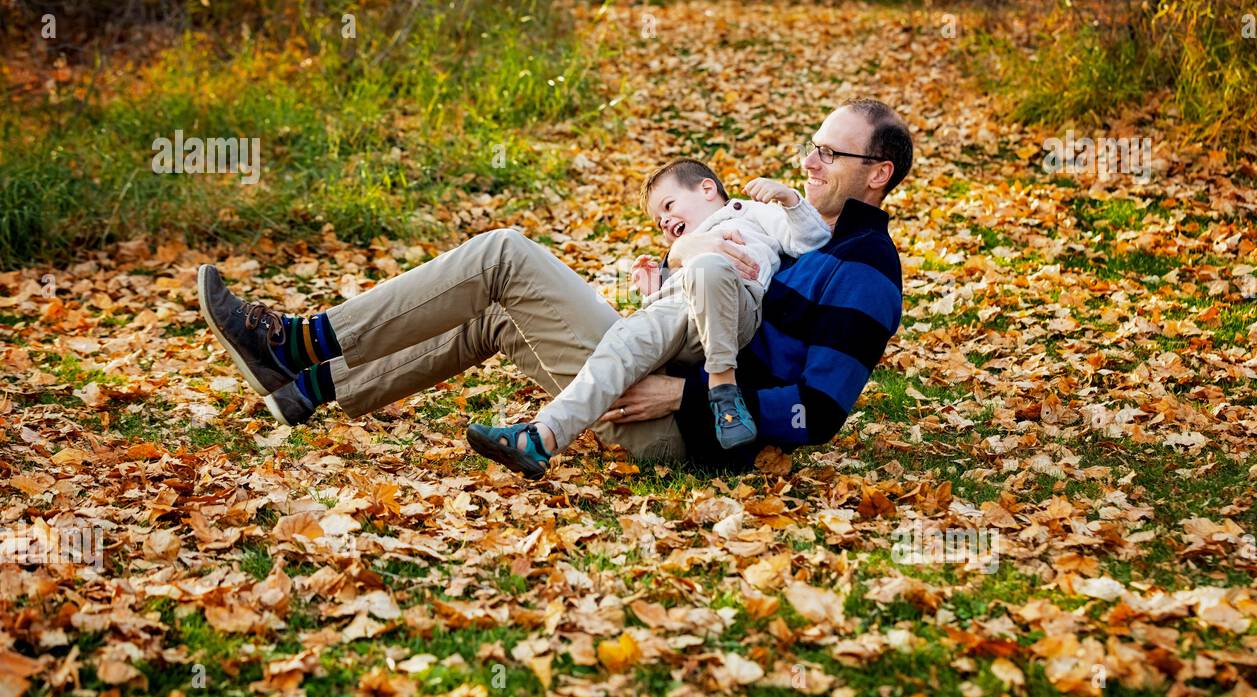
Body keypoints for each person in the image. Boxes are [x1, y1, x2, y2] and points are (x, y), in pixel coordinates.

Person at [195, 99, 910, 470]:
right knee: (499, 318)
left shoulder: (865, 273)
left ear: (877, 173)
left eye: (829, 153)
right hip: (666, 363)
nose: (809, 162)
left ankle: (299, 343)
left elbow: (816, 416)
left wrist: (685, 397)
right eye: (810, 147)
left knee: (503, 255)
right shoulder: (794, 227)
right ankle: (312, 387)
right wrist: (679, 264)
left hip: (682, 426)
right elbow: (717, 291)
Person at [465, 158, 830, 478]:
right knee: (620, 345)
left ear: (707, 189)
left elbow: (810, 239)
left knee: (709, 266)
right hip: (681, 311)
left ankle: (724, 388)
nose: (666, 221)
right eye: (659, 220)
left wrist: (789, 199)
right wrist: (652, 290)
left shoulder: (748, 213)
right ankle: (541, 436)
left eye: (669, 205)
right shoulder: (678, 255)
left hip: (734, 308)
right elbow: (667, 321)